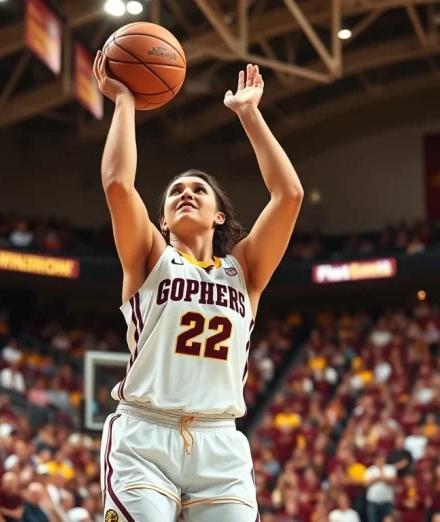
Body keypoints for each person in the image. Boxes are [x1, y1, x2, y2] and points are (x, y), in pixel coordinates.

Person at [93, 50, 303, 522]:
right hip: (145, 436)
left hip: (219, 443)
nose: (185, 193)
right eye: (174, 193)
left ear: (219, 214)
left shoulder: (244, 270)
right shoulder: (150, 256)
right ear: (164, 219)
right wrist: (125, 101)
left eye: (198, 190)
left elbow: (289, 195)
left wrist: (249, 115)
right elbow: (117, 185)